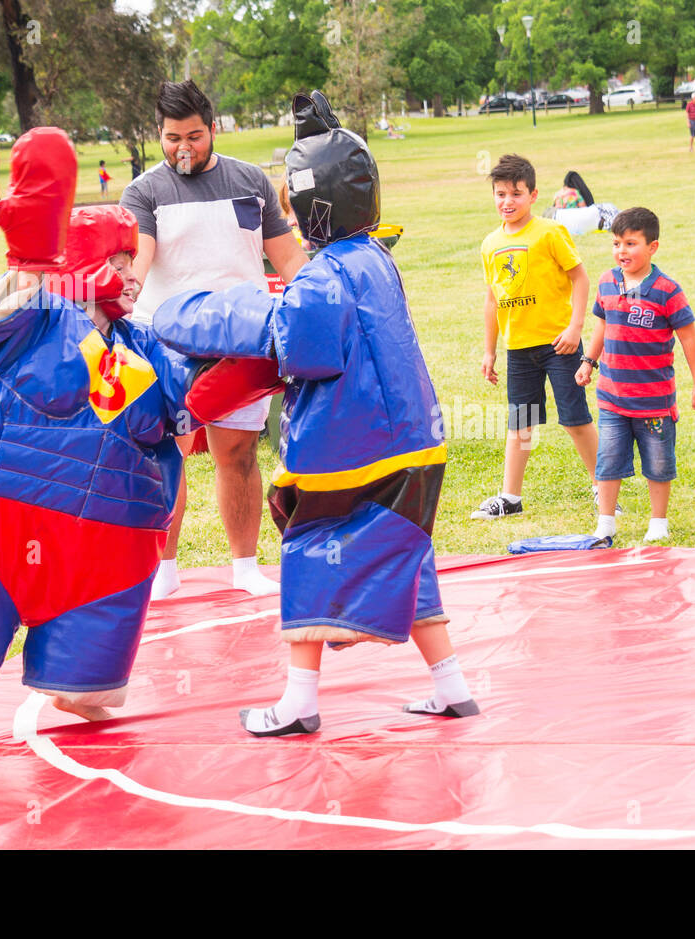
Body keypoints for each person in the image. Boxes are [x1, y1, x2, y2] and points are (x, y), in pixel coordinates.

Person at [152, 91, 478, 737]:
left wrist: (199, 316)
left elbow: (302, 347)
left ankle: (298, 700)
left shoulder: (323, 278)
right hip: (416, 444)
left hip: (352, 451)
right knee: (403, 555)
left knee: (310, 549)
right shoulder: (378, 261)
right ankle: (452, 685)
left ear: (311, 206)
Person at [0, 128, 199, 742]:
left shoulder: (140, 340)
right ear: (81, 263)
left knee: (92, 652)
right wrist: (28, 259)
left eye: (132, 264)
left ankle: (80, 689)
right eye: (118, 264)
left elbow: (174, 413)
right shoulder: (30, 318)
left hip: (99, 526)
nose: (131, 276)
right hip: (1, 499)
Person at [120, 80, 307, 600]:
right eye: (172, 136)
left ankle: (245, 567)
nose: (183, 146)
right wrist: (124, 292)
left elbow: (287, 257)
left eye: (194, 136)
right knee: (165, 455)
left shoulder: (251, 180)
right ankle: (164, 571)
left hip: (241, 341)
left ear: (213, 129)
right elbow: (139, 255)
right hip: (167, 344)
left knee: (240, 454)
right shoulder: (144, 191)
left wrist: (320, 293)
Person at [474, 154, 598, 520]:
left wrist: (575, 328)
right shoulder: (490, 243)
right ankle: (510, 497)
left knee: (575, 419)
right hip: (519, 348)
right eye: (500, 194)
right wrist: (489, 351)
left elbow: (580, 278)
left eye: (516, 193)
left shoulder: (549, 232)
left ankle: (601, 486)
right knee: (521, 422)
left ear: (533, 195)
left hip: (559, 344)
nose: (507, 201)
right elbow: (492, 299)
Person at [574, 208, 695, 543]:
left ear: (653, 247)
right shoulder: (607, 281)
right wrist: (588, 361)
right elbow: (602, 324)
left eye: (631, 243)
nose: (622, 251)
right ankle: (605, 522)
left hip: (654, 402)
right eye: (617, 243)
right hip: (612, 398)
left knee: (659, 464)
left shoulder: (667, 291)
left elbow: (688, 337)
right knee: (608, 461)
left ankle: (658, 523)